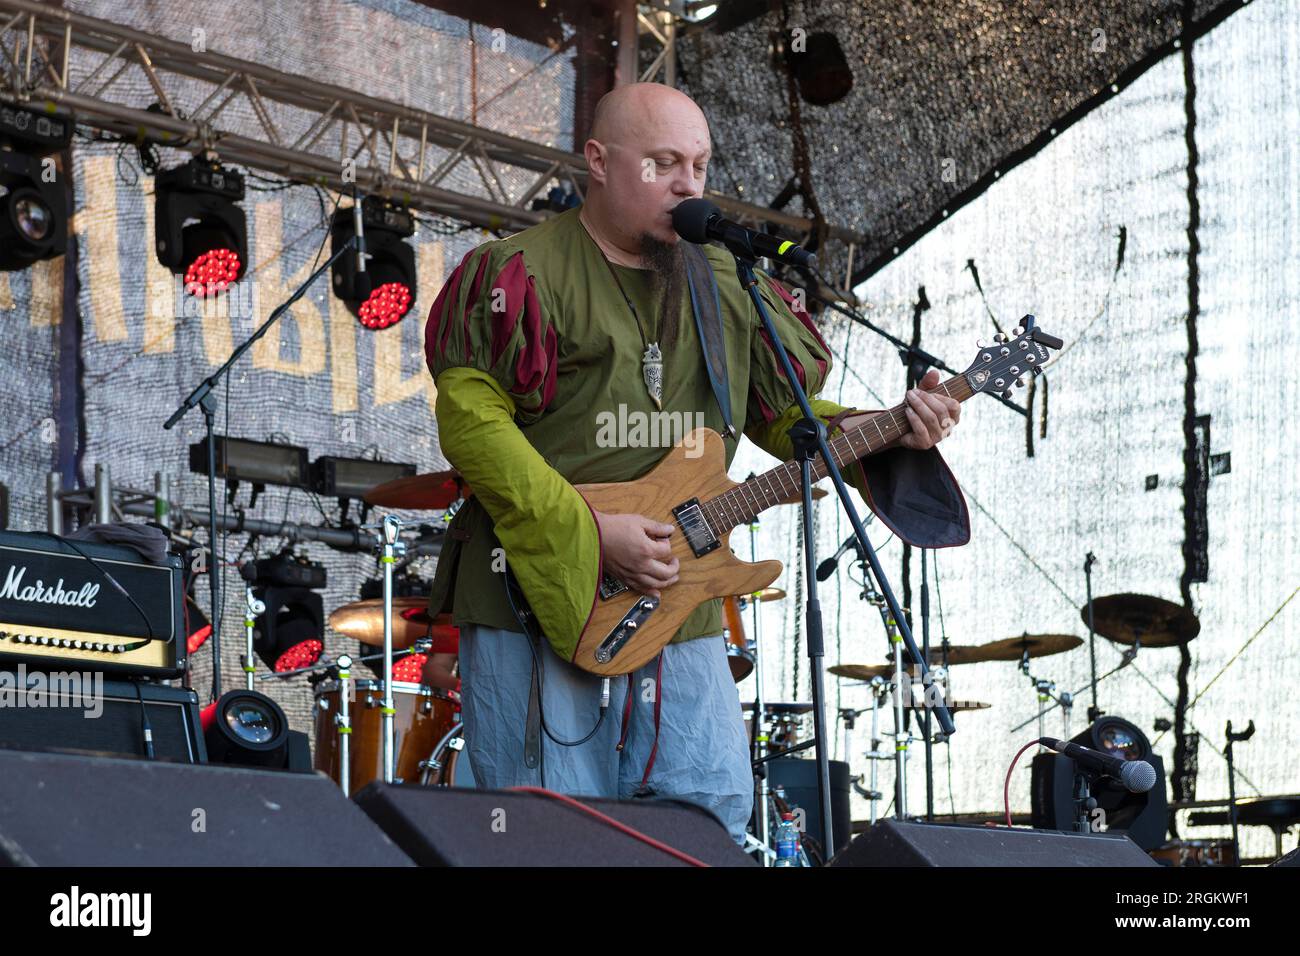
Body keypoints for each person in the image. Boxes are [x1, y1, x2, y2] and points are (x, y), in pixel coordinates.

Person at [423, 82, 968, 844]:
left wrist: (889, 428)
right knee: (546, 829)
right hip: (535, 586)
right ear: (599, 162)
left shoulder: (724, 281)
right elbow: (472, 424)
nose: (687, 185)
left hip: (682, 588)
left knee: (706, 810)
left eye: (701, 167)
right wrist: (586, 527)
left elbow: (788, 422)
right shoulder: (520, 271)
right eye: (664, 163)